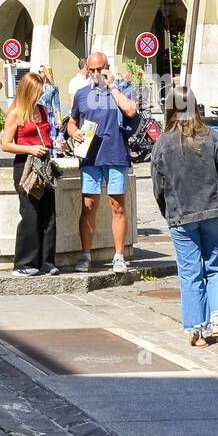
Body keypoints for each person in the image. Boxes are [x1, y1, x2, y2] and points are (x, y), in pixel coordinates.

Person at [151, 86, 218, 347]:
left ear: (170, 110)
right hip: (213, 210)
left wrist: (167, 210)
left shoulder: (162, 143)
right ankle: (217, 320)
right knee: (216, 268)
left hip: (181, 214)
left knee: (190, 273)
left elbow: (158, 185)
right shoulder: (210, 136)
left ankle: (195, 330)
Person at [68, 51, 139, 274]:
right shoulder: (81, 94)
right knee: (88, 205)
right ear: (87, 70)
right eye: (93, 70)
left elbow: (130, 110)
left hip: (115, 154)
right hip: (90, 156)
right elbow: (72, 121)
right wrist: (74, 132)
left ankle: (118, 256)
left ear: (108, 67)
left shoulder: (122, 89)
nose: (97, 73)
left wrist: (112, 86)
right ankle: (85, 255)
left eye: (101, 69)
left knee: (117, 205)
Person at [0, 71, 58, 276]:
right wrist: (30, 149)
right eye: (37, 92)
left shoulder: (41, 109)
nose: (40, 96)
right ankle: (24, 263)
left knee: (48, 213)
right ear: (28, 91)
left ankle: (47, 262)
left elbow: (45, 134)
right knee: (30, 214)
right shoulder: (16, 112)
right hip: (25, 165)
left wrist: (55, 143)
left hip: (44, 163)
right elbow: (5, 145)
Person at [37, 65, 63, 148]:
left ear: (46, 73)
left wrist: (59, 119)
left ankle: (51, 153)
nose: (39, 73)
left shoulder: (53, 88)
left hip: (49, 114)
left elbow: (57, 104)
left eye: (40, 72)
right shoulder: (37, 86)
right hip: (38, 114)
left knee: (51, 135)